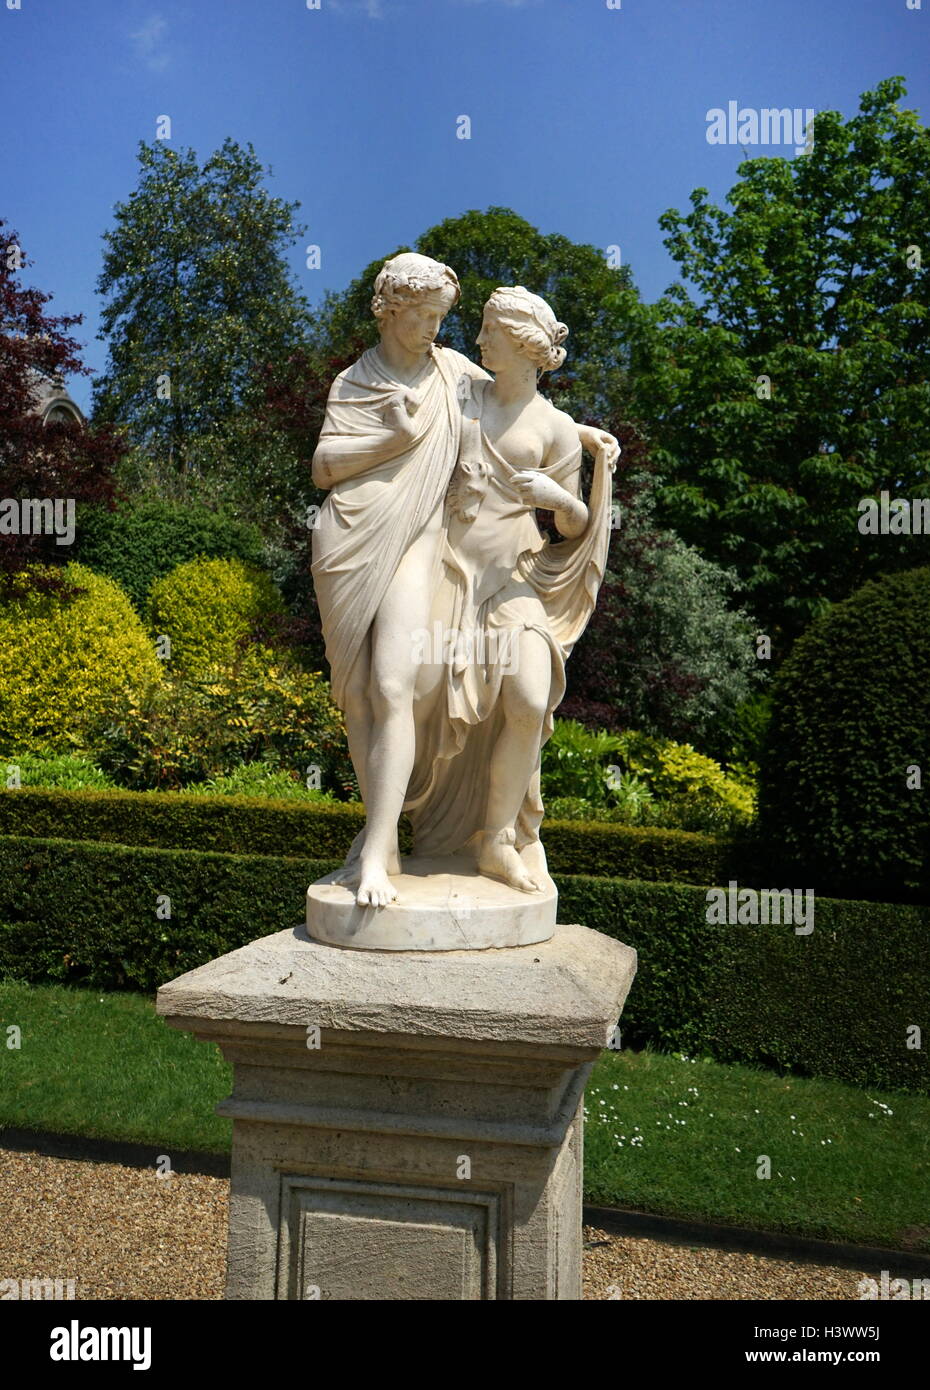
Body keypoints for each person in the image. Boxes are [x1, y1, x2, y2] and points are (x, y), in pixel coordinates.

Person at [406, 286, 619, 892]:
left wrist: (557, 496)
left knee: (528, 697)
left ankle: (499, 839)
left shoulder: (553, 428)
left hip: (515, 576)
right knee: (416, 699)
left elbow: (574, 523)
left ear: (524, 343)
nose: (478, 340)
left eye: (490, 331)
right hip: (445, 573)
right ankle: (402, 830)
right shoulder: (462, 392)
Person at [311, 253, 490, 906]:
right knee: (358, 695)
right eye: (425, 317)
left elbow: (519, 398)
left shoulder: (456, 377)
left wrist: (576, 441)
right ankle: (376, 839)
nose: (435, 330)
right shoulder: (354, 381)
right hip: (348, 540)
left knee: (394, 682)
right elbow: (324, 466)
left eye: (441, 318)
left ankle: (381, 859)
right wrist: (394, 437)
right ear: (391, 311)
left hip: (418, 539)